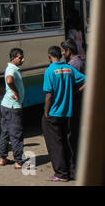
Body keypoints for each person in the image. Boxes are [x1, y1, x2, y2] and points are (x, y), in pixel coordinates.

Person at [42, 46, 86, 182]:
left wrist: (46, 111)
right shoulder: (69, 68)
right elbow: (86, 80)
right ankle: (71, 171)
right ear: (59, 55)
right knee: (65, 142)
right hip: (66, 112)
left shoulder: (49, 70)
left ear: (50, 56)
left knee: (55, 144)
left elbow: (48, 94)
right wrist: (74, 93)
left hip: (53, 112)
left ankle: (61, 174)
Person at [0, 48, 28, 169]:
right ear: (13, 58)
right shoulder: (12, 69)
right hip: (13, 106)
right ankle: (18, 161)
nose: (23, 60)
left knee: (5, 132)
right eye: (20, 57)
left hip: (6, 105)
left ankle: (3, 158)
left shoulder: (11, 68)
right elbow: (9, 80)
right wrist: (16, 92)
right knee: (16, 134)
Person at [60, 38, 85, 175]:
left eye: (63, 51)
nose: (63, 53)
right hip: (79, 104)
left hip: (75, 105)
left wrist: (74, 92)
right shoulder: (81, 60)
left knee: (72, 137)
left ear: (68, 51)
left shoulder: (73, 65)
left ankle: (74, 168)